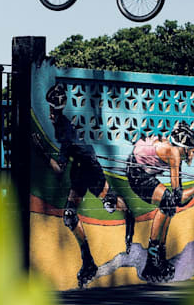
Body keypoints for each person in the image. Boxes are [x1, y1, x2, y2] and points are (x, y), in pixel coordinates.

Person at [38, 84, 133, 288]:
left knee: (111, 204)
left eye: (52, 109)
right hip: (79, 170)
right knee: (70, 216)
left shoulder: (64, 131)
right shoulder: (60, 127)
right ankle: (88, 262)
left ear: (55, 109)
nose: (50, 114)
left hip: (89, 169)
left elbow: (58, 170)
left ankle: (129, 218)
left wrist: (41, 152)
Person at [126, 122, 194, 283]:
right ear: (184, 147)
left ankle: (159, 256)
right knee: (167, 201)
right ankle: (152, 260)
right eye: (191, 150)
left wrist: (193, 188)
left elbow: (178, 198)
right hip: (137, 173)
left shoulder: (174, 152)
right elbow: (178, 198)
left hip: (141, 170)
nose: (192, 154)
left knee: (169, 206)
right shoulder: (174, 154)